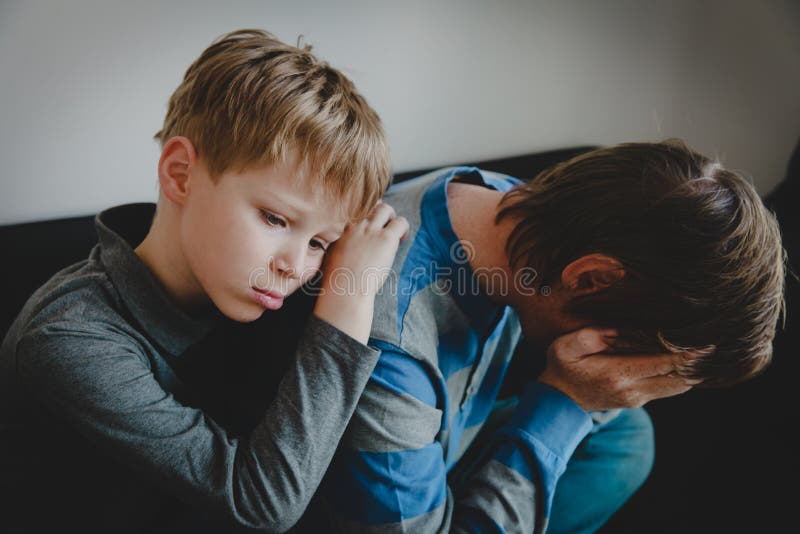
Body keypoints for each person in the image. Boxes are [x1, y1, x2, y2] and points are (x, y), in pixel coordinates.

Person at [0, 29, 409, 532]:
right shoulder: (68, 336)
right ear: (180, 175)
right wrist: (351, 293)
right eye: (275, 219)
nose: (296, 266)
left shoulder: (250, 282)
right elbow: (261, 504)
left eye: (320, 243)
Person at [320, 140, 786, 533]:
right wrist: (567, 401)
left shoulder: (504, 202)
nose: (638, 380)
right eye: (646, 359)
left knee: (626, 437)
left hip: (448, 436)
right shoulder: (392, 353)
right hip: (376, 491)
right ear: (590, 279)